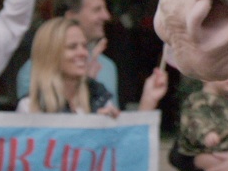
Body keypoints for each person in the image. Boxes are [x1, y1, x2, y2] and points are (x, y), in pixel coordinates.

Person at [16, 16, 165, 115]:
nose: (83, 53)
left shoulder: (98, 98)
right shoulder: (30, 107)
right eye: (72, 47)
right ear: (51, 54)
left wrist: (147, 102)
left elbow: (124, 152)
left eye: (84, 46)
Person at [14, 0, 118, 107]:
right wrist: (87, 85)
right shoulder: (35, 68)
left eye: (83, 46)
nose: (106, 16)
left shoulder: (107, 66)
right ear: (71, 16)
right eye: (97, 10)